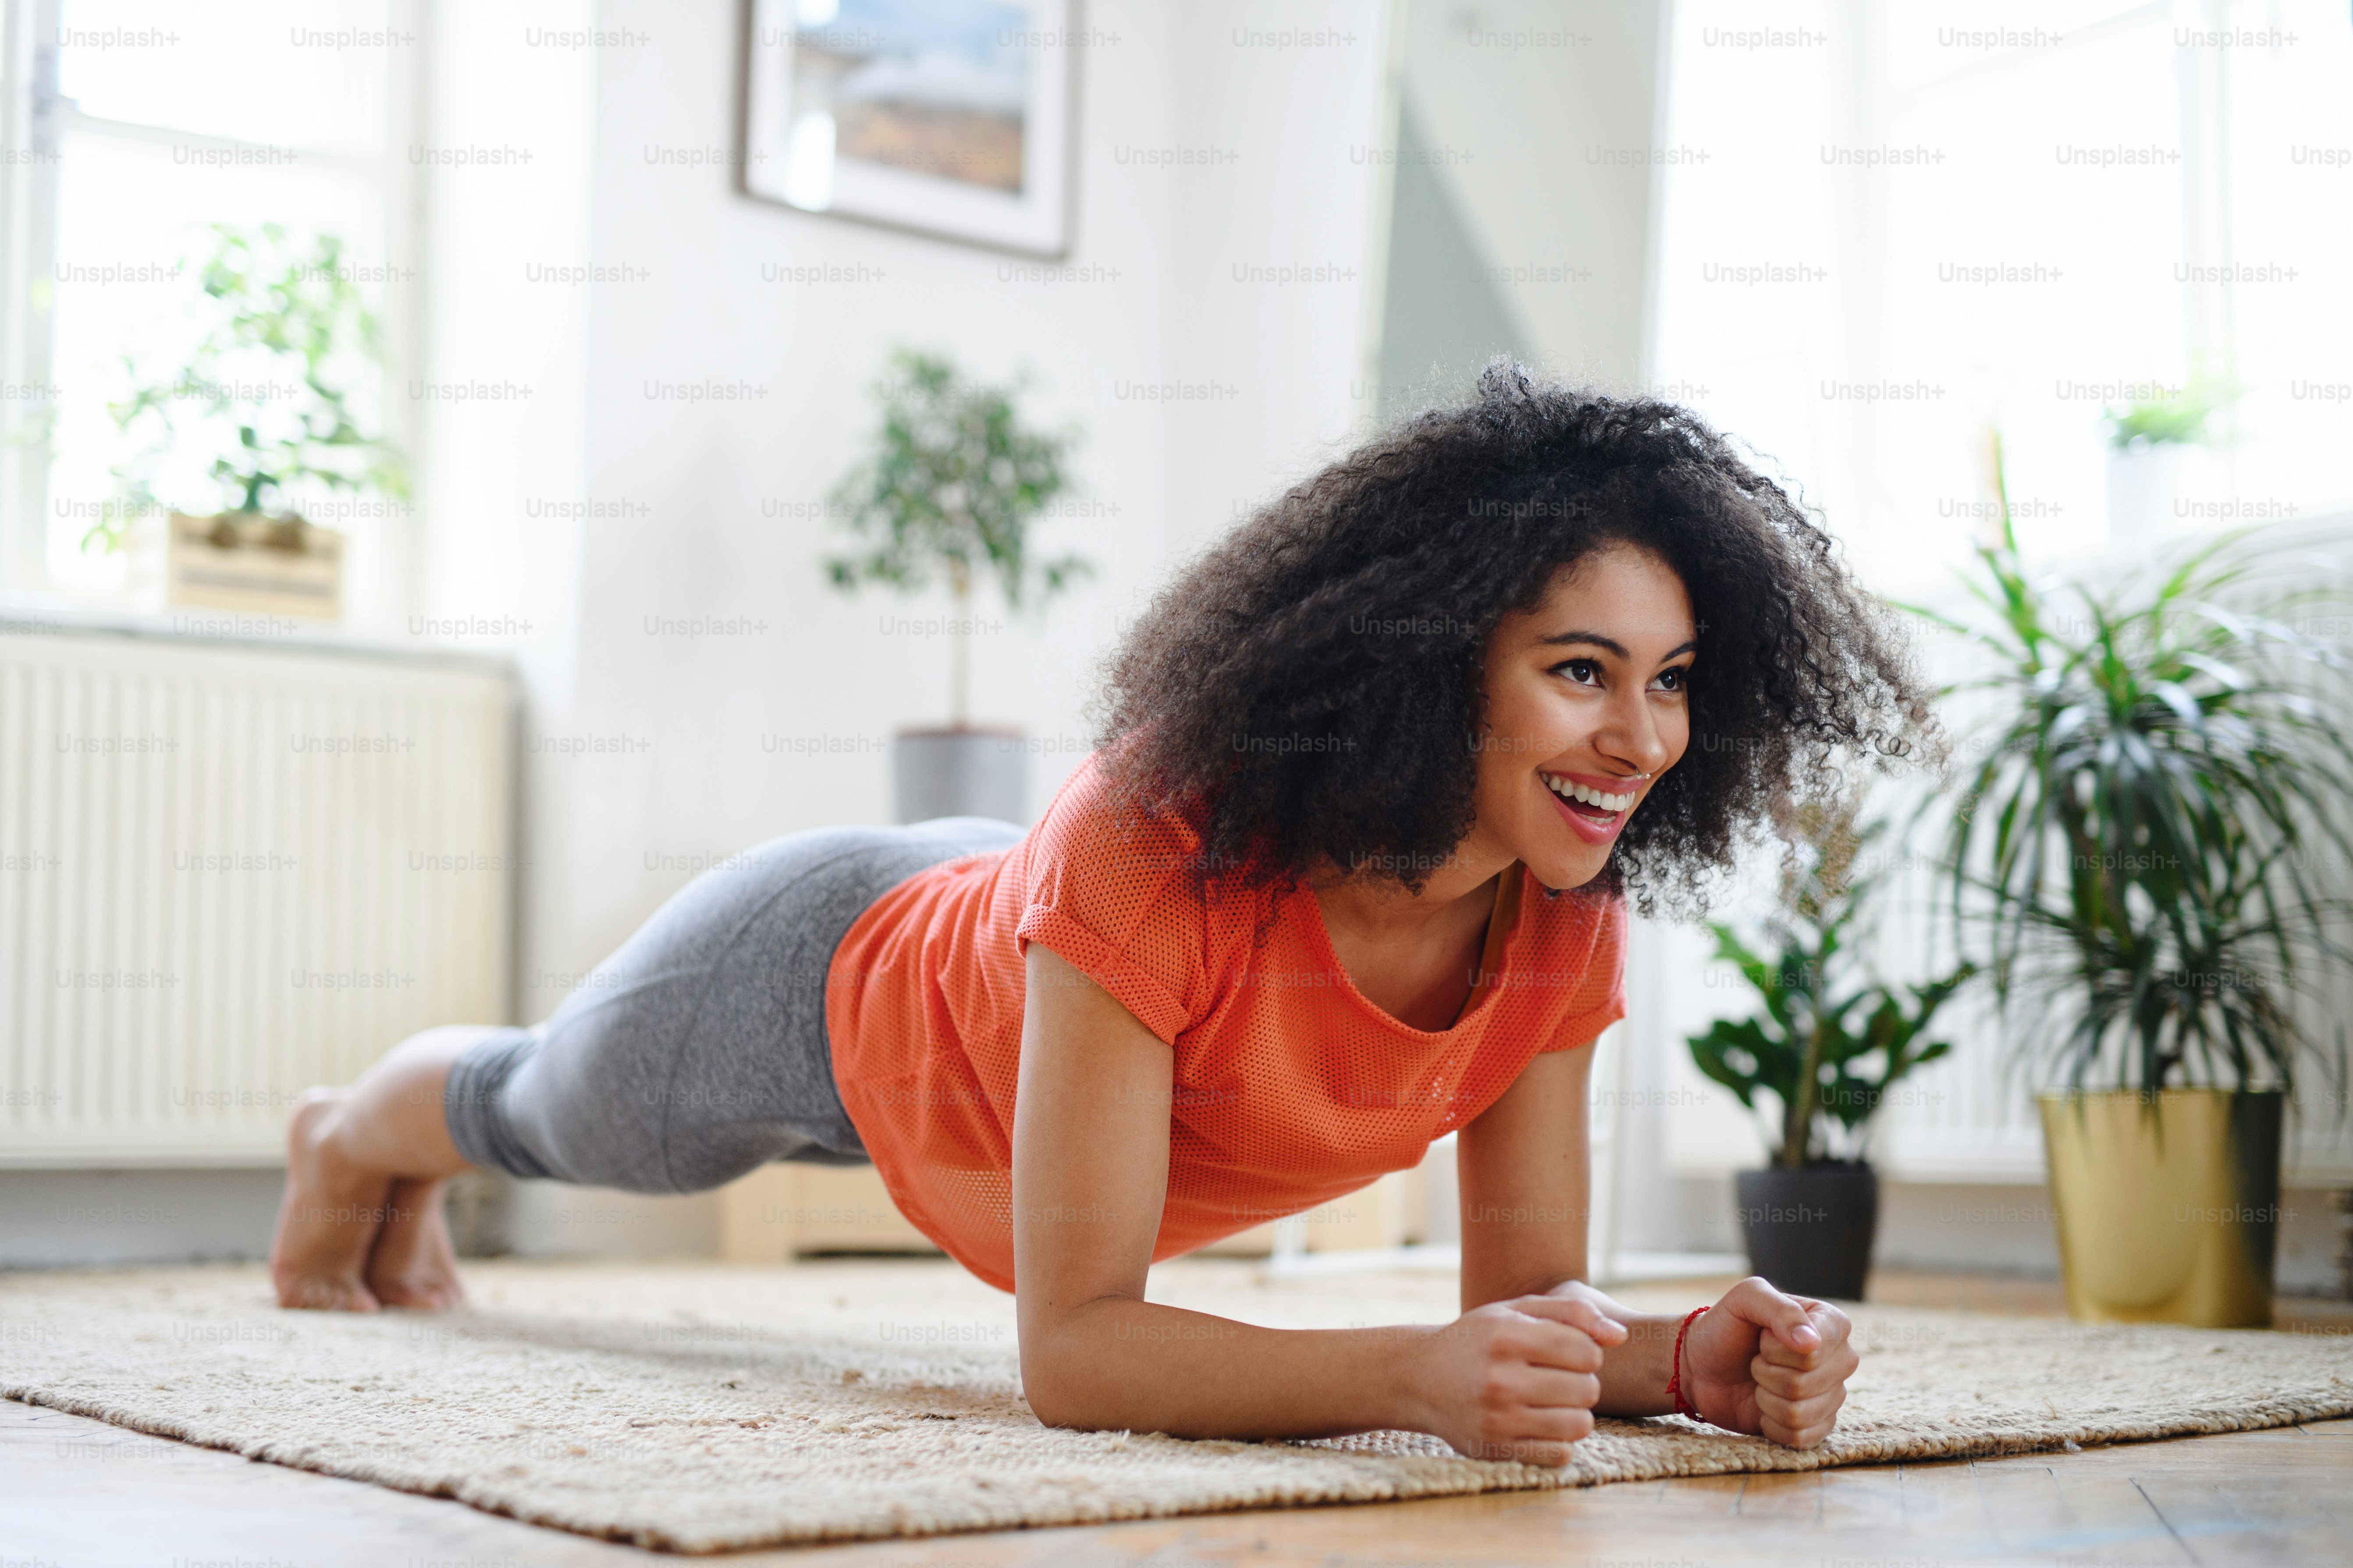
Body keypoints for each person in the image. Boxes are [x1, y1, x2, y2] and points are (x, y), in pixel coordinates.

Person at [271, 363, 1927, 1465]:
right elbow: (1076, 1356)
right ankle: (351, 1137)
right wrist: (1404, 1376)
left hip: (1028, 1002)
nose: (1640, 739)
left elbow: (1531, 1318)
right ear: (1432, 658)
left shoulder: (1562, 913)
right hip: (835, 974)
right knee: (551, 1109)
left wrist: (1693, 1353)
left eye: (1675, 684)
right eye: (1582, 672)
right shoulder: (1161, 844)